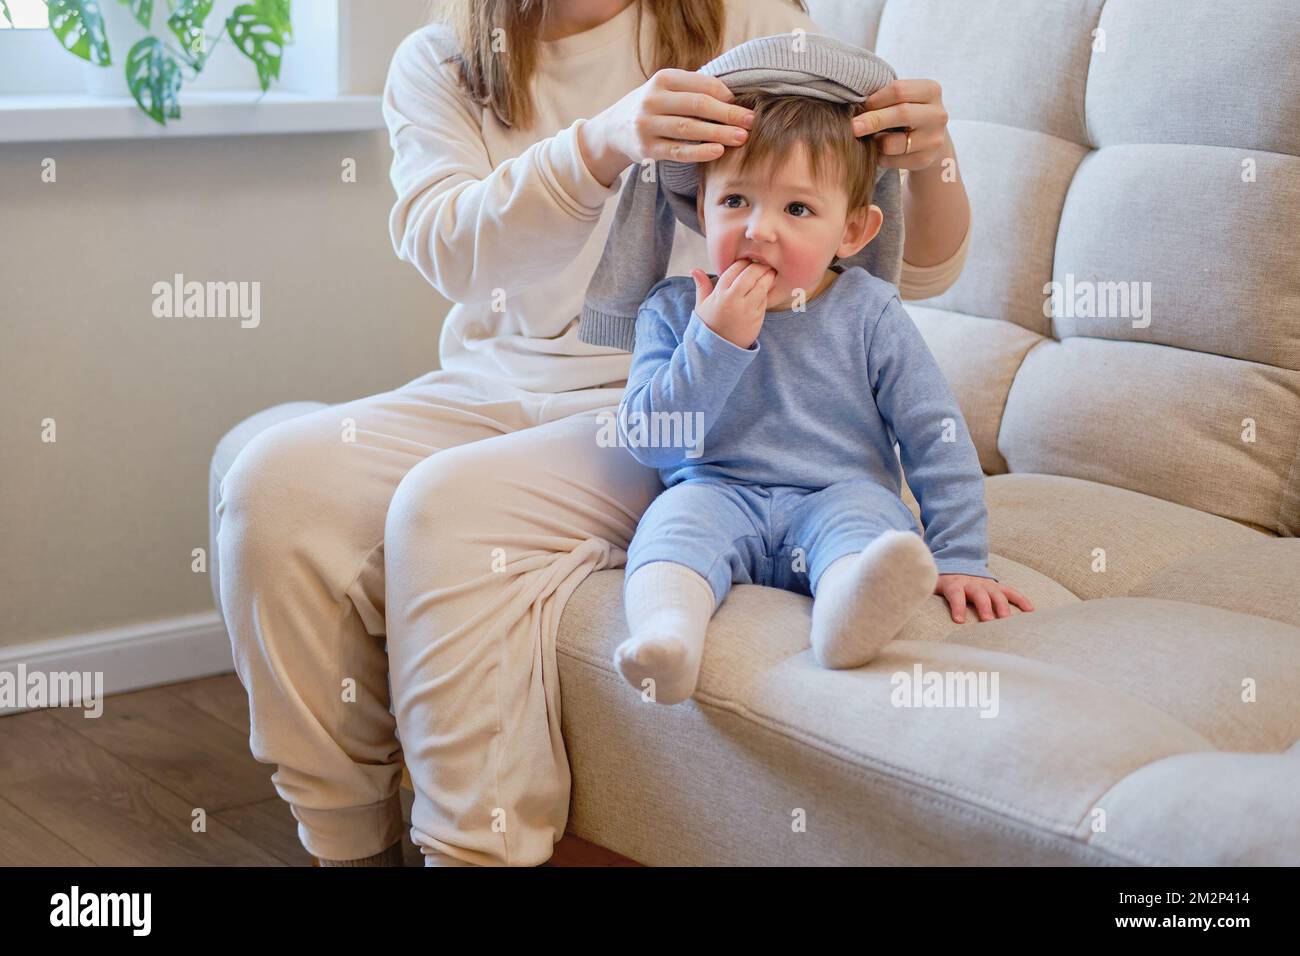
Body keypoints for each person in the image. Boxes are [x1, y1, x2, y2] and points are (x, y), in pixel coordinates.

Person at [214, 0, 975, 868]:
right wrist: (602, 143)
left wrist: (933, 159)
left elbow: (920, 267)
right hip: (491, 376)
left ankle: (474, 850)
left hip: (676, 403)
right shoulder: (444, 60)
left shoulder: (751, 22)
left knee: (448, 508)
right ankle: (346, 845)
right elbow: (449, 251)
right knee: (273, 487)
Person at [611, 90, 1033, 707]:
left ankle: (845, 620)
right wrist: (714, 342)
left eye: (800, 208)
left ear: (853, 230)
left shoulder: (868, 313)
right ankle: (667, 637)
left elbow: (934, 435)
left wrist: (961, 553)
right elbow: (652, 442)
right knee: (671, 528)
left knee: (869, 527)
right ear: (701, 209)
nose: (760, 228)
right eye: (734, 200)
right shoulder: (674, 311)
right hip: (715, 491)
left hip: (839, 494)